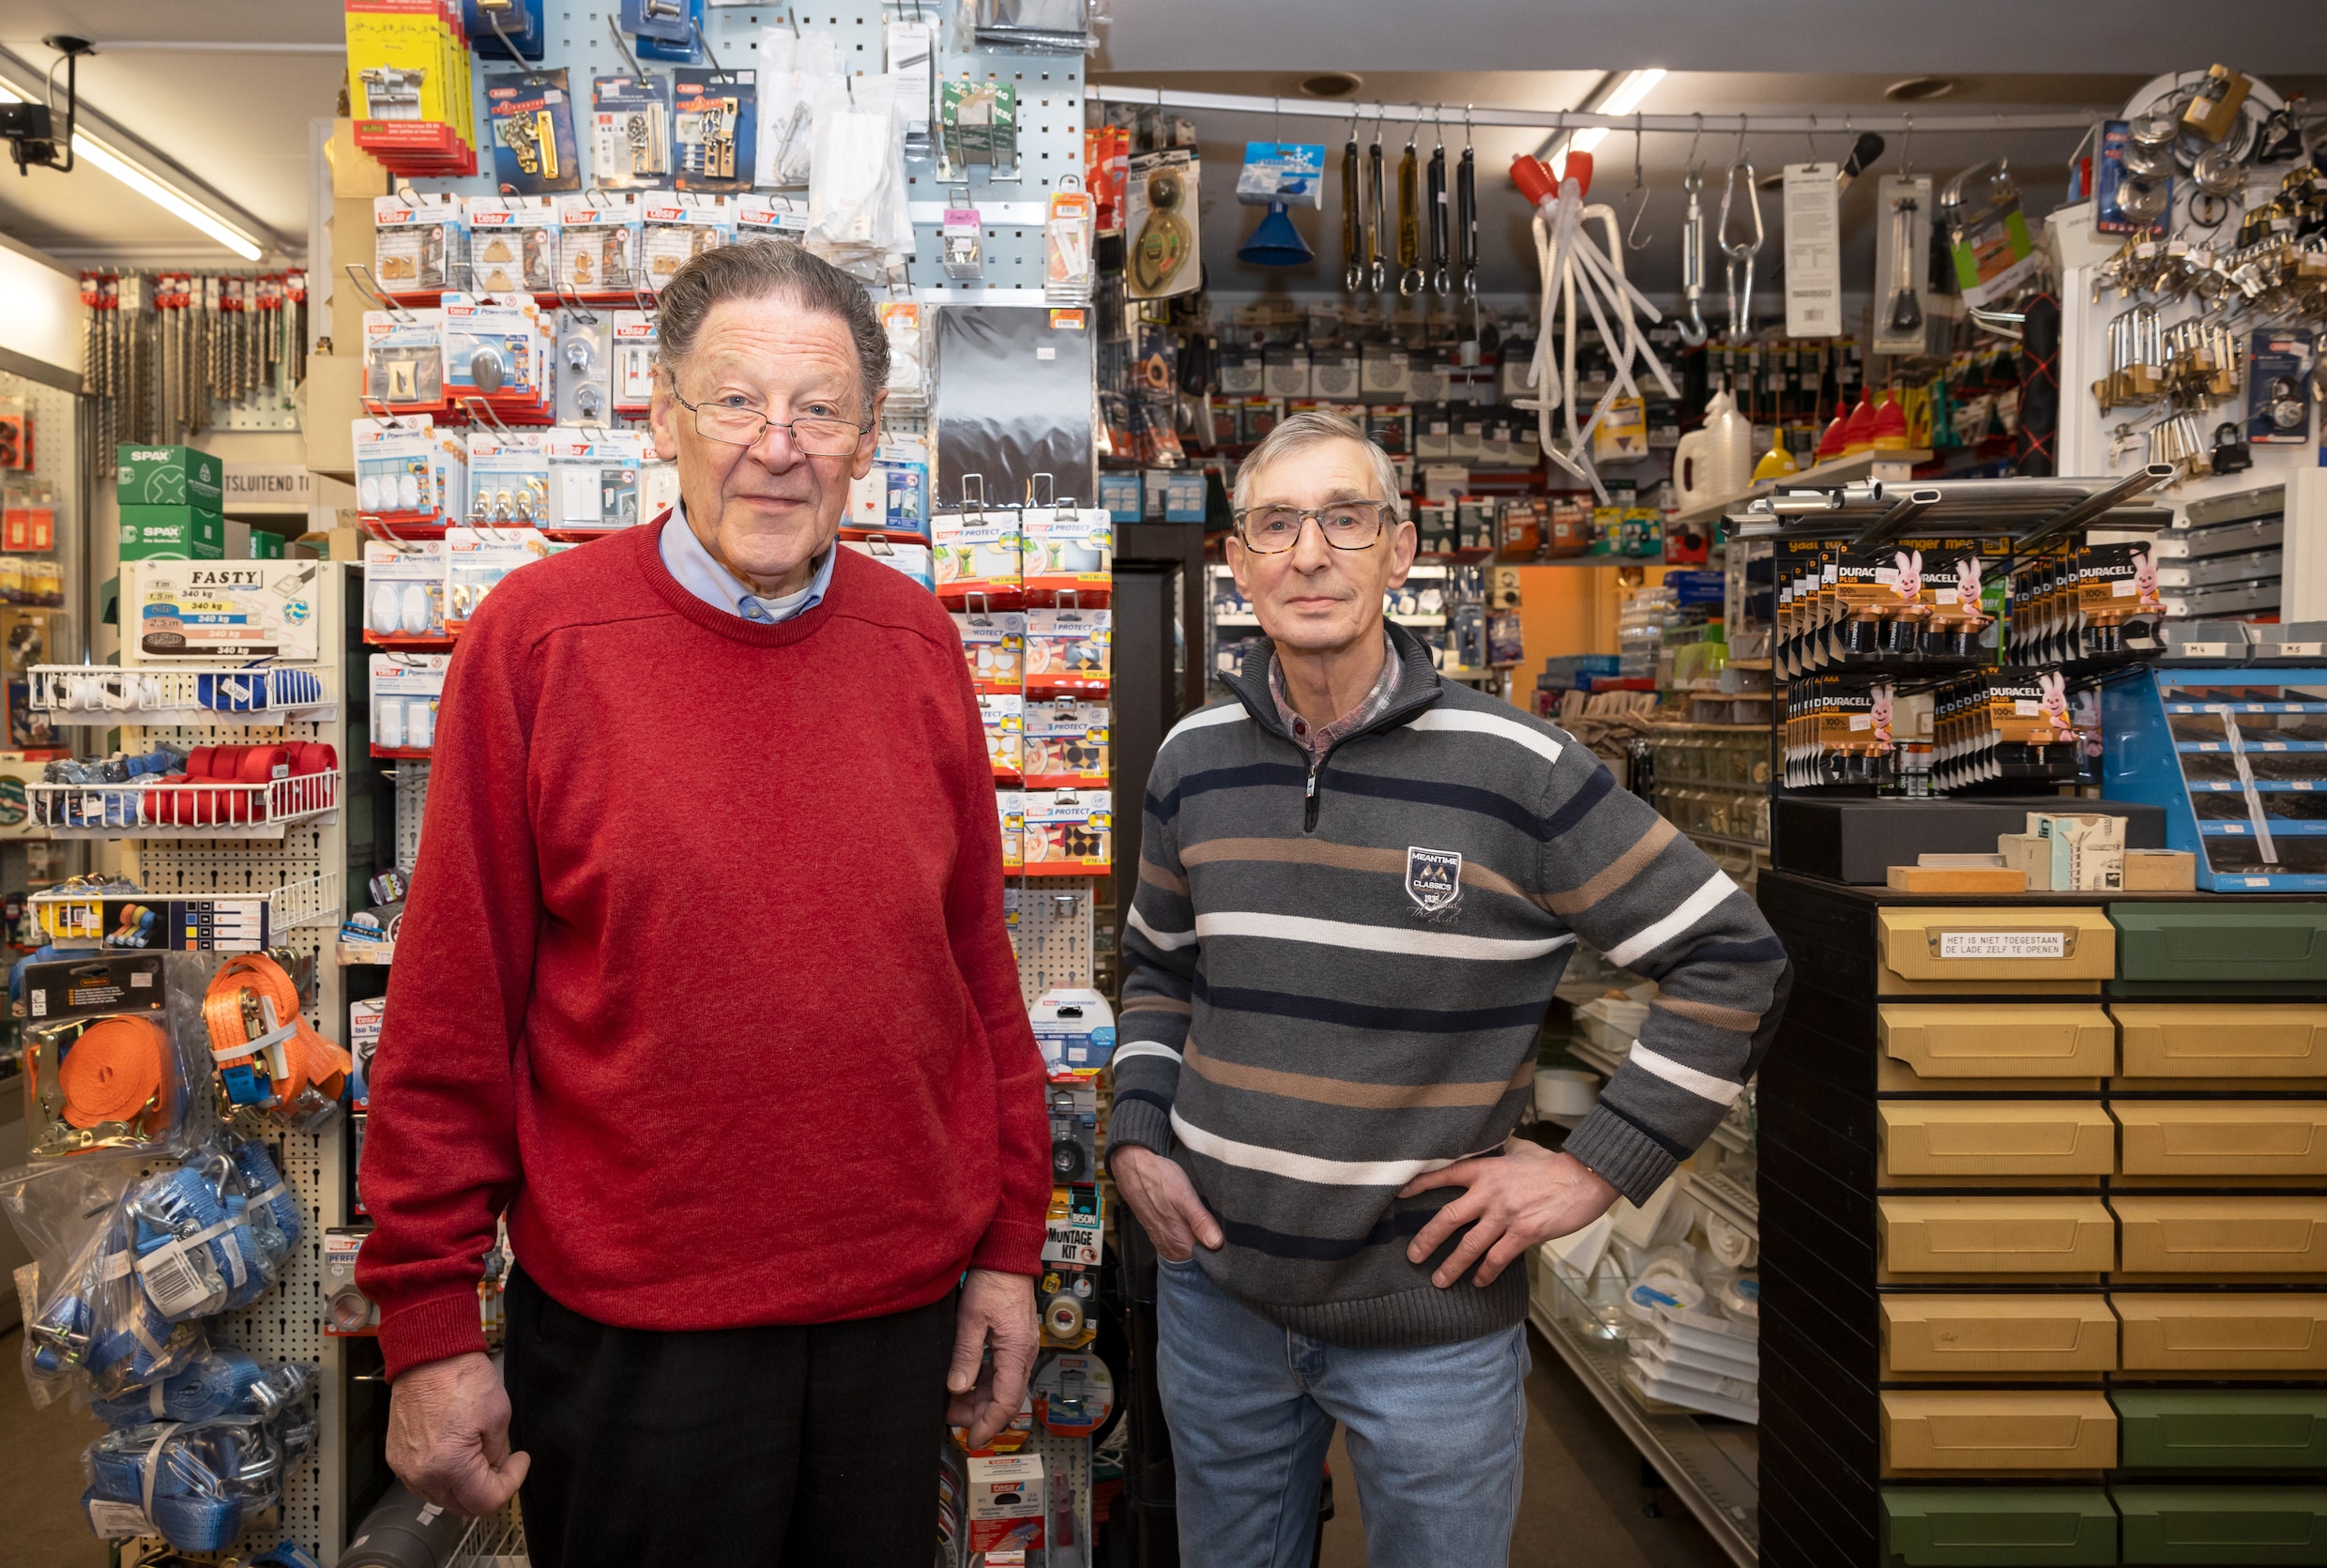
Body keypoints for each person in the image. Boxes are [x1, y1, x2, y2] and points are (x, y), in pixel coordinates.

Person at [357, 239, 1053, 1568]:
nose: (777, 445)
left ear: (865, 440)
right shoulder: (538, 639)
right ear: (663, 413)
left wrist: (1011, 1248)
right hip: (634, 1331)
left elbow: (978, 983)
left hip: (893, 1314)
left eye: (822, 408)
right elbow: (451, 1012)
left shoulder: (919, 645)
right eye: (737, 400)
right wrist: (430, 1324)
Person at [1107, 412, 1790, 1568]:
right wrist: (1135, 1132)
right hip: (1217, 1299)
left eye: (1343, 520)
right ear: (1236, 562)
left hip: (1427, 1322)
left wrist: (1591, 1167)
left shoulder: (1516, 770)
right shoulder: (1191, 761)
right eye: (1274, 524)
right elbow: (1160, 969)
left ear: (1399, 548)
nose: (1308, 553)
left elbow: (1732, 957)